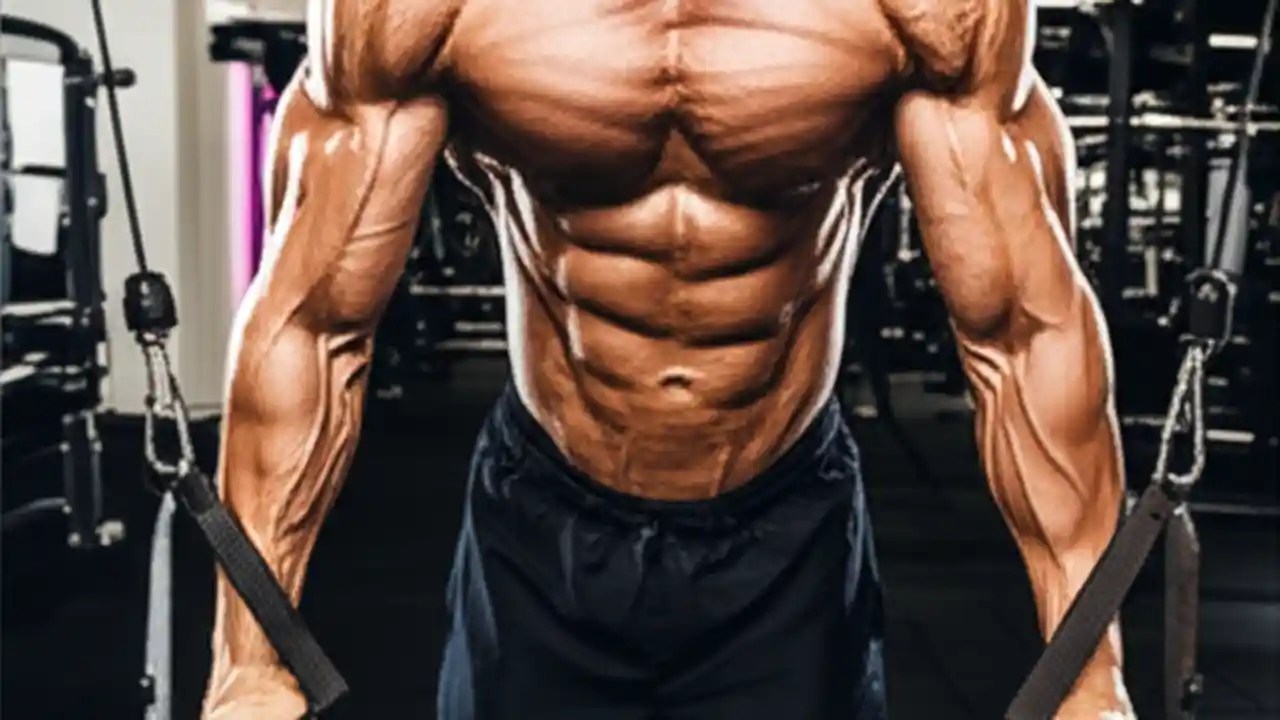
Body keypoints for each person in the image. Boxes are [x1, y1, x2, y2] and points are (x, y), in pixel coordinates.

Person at [201, 0, 1132, 718]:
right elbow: (311, 323)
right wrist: (248, 658)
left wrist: (1090, 674)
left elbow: (1025, 332)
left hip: (785, 530)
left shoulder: (925, 15)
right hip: (543, 525)